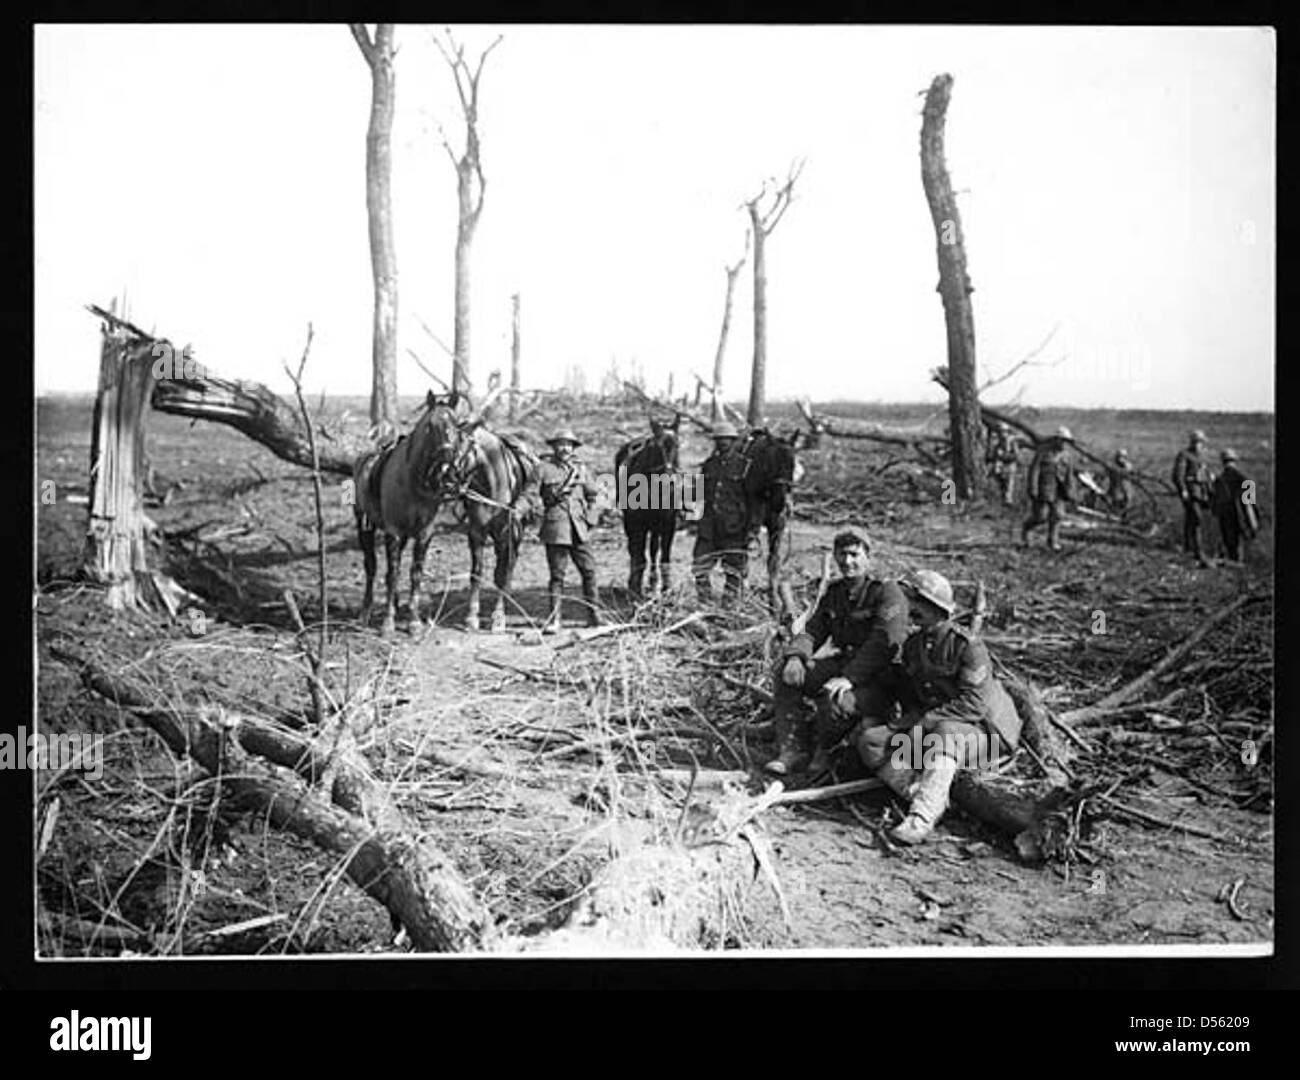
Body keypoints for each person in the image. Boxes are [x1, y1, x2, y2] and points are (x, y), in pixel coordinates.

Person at [851, 570, 1022, 846]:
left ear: (937, 608)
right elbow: (912, 696)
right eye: (910, 602)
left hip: (985, 737)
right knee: (872, 741)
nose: (911, 610)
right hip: (937, 734)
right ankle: (922, 791)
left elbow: (974, 705)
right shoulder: (914, 646)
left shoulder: (967, 647)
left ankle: (921, 818)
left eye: (917, 603)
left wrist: (927, 722)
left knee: (945, 732)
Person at [767, 530, 909, 777]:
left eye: (854, 554)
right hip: (845, 665)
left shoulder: (886, 592)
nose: (847, 561)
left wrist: (848, 678)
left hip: (880, 680)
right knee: (785, 673)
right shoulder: (835, 593)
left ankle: (826, 751)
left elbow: (883, 644)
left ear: (868, 557)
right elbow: (812, 631)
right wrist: (795, 656)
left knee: (834, 698)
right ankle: (793, 749)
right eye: (841, 554)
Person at [537, 430, 603, 631]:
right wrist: (518, 510)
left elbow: (595, 496)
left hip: (579, 529)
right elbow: (530, 494)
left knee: (589, 572)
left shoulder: (582, 470)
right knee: (557, 576)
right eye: (560, 444)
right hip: (556, 529)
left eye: (568, 444)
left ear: (573, 448)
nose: (564, 448)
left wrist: (591, 519)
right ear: (553, 447)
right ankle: (554, 620)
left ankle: (594, 617)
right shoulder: (543, 469)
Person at [692, 421, 753, 604]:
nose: (722, 443)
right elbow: (697, 492)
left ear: (734, 441)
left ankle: (729, 607)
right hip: (708, 525)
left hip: (734, 527)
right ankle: (706, 603)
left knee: (734, 570)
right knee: (699, 566)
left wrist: (752, 528)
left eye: (726, 439)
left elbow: (752, 500)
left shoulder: (745, 466)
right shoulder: (709, 465)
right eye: (719, 440)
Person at [1021, 426, 1078, 552]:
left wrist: (1072, 491)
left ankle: (1053, 541)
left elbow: (1069, 475)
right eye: (1062, 440)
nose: (1064, 443)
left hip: (1060, 490)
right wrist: (1033, 488)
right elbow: (1034, 471)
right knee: (1040, 516)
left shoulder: (1067, 456)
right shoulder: (1043, 452)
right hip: (1043, 489)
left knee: (1058, 515)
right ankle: (1027, 528)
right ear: (1056, 440)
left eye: (1066, 441)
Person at [1171, 430, 1213, 568]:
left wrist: (1209, 484)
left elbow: (1205, 473)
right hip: (1190, 492)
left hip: (1201, 493)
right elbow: (1178, 475)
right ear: (1192, 442)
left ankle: (1188, 548)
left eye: (1201, 442)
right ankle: (1198, 552)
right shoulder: (1184, 455)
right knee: (1196, 519)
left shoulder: (1203, 456)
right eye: (1196, 442)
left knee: (1191, 520)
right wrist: (1182, 490)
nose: (1198, 445)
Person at [1210, 448, 1259, 564]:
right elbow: (1250, 504)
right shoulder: (1246, 480)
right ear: (1235, 461)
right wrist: (1253, 522)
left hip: (1226, 517)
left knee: (1230, 545)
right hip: (1242, 517)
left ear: (1223, 462)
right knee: (1241, 546)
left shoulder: (1218, 480)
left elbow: (1215, 503)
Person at [987, 422, 1023, 507]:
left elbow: (1016, 456)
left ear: (1007, 432)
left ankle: (1008, 503)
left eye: (1003, 431)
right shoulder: (998, 444)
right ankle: (1002, 503)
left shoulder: (1012, 443)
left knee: (1008, 487)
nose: (1001, 433)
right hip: (1001, 468)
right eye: (999, 432)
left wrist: (1003, 456)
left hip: (1009, 467)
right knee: (1002, 486)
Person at [1106, 448, 1134, 517]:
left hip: (1125, 493)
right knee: (1116, 508)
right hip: (1117, 493)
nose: (1122, 459)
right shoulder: (1113, 467)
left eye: (1124, 457)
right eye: (1120, 456)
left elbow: (1130, 474)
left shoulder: (1128, 466)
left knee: (1124, 508)